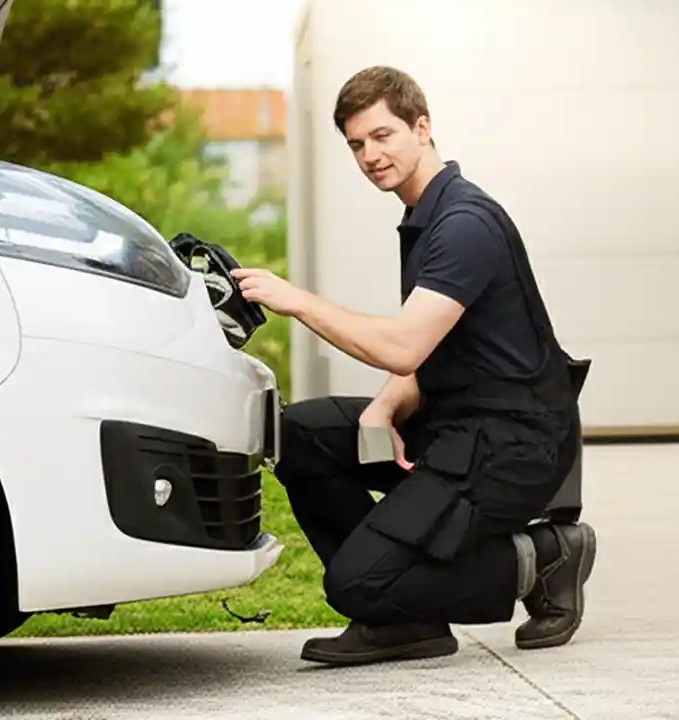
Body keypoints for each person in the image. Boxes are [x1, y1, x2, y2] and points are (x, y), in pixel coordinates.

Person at [230, 66, 597, 667]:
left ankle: (543, 557)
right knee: (302, 435)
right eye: (356, 144)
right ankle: (405, 619)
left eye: (382, 136)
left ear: (422, 127)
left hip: (513, 447)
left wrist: (295, 299)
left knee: (353, 582)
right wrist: (385, 404)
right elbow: (428, 348)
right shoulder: (426, 215)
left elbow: (403, 345)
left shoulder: (464, 225)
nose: (370, 155)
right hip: (456, 425)